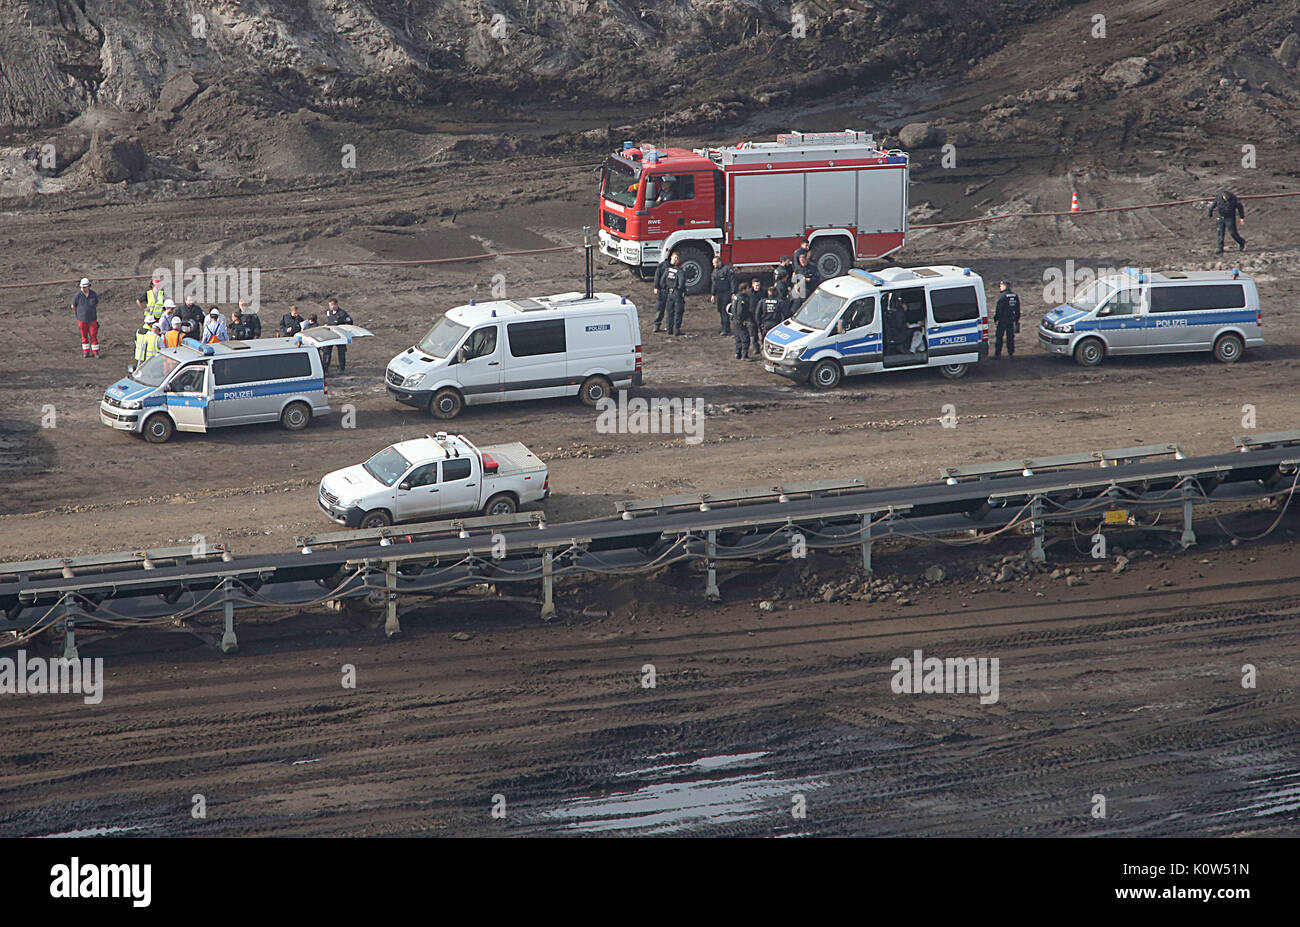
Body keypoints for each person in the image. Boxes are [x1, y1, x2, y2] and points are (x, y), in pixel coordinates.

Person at [322, 298, 354, 372]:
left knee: (341, 352)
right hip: (330, 334)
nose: (330, 307)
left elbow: (350, 322)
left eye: (332, 305)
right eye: (329, 306)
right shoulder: (329, 312)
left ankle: (341, 368)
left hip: (340, 335)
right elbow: (329, 320)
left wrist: (343, 328)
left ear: (335, 305)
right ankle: (325, 367)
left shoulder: (342, 313)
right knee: (327, 351)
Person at [71, 277, 100, 358]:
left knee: (93, 335)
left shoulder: (93, 294)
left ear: (88, 286)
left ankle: (95, 352)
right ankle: (86, 352)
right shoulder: (78, 295)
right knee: (84, 336)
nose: (83, 289)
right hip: (82, 319)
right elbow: (73, 306)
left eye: (84, 287)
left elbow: (97, 304)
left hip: (92, 319)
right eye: (82, 287)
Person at [662, 253, 688, 335]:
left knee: (670, 311)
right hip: (677, 294)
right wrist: (682, 291)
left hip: (669, 293)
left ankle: (669, 329)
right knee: (678, 312)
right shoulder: (680, 272)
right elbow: (681, 283)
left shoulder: (668, 270)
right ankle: (676, 330)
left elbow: (662, 281)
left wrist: (667, 288)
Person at [993, 280, 1020, 358]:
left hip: (1002, 320)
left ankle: (997, 354)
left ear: (1005, 286)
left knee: (999, 337)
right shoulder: (1015, 296)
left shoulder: (1002, 296)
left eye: (1001, 286)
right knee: (1010, 337)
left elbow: (999, 309)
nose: (1000, 287)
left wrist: (996, 318)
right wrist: (1016, 320)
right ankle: (1011, 353)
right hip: (1011, 320)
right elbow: (1017, 309)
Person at [710, 257, 735, 335]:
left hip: (726, 293)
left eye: (715, 263)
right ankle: (723, 327)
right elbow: (714, 284)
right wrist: (713, 295)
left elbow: (732, 281)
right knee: (721, 311)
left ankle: (726, 329)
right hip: (719, 294)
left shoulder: (727, 269)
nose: (713, 265)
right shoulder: (714, 271)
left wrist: (733, 293)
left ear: (719, 262)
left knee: (725, 311)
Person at [729, 287, 755, 360]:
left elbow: (732, 308)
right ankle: (744, 356)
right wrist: (743, 320)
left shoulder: (735, 297)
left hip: (735, 320)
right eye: (747, 289)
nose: (748, 290)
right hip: (739, 321)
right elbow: (740, 311)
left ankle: (738, 353)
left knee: (738, 337)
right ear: (743, 289)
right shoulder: (742, 299)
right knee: (745, 338)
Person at [651, 255, 671, 333]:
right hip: (663, 291)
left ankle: (666, 326)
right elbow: (657, 276)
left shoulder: (675, 267)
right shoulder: (663, 266)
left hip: (668, 291)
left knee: (667, 310)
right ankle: (658, 326)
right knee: (662, 309)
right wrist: (656, 287)